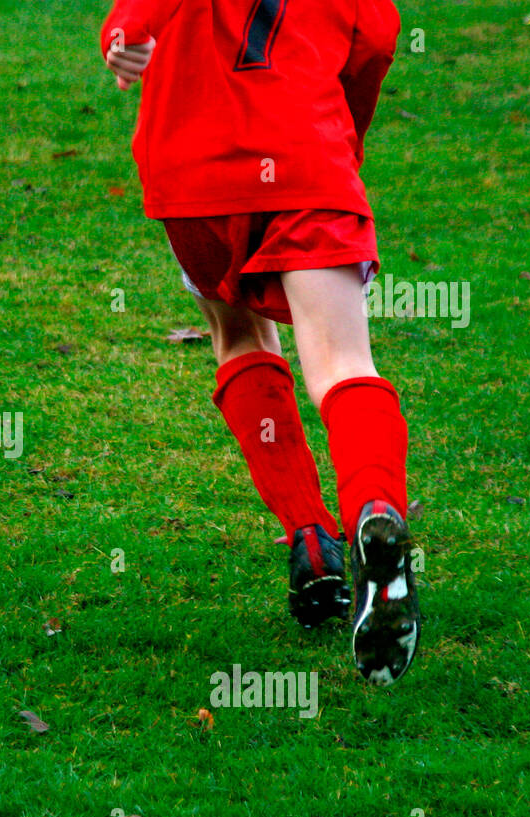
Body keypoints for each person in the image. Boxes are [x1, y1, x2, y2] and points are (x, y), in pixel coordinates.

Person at [101, 0, 419, 685]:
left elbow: (135, 17)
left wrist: (121, 33)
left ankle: (310, 536)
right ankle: (376, 513)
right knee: (339, 361)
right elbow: (376, 41)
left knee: (238, 333)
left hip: (192, 172)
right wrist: (342, 142)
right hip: (306, 157)